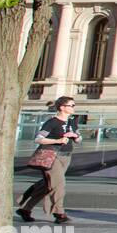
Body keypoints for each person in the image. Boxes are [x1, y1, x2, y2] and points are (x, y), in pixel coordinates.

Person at [18, 96, 80, 225]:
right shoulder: (52, 122)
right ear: (62, 107)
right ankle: (59, 213)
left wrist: (76, 136)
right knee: (59, 184)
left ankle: (25, 208)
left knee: (47, 185)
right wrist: (57, 140)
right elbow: (39, 138)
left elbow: (79, 139)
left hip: (66, 155)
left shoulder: (72, 122)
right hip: (52, 155)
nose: (74, 108)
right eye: (71, 105)